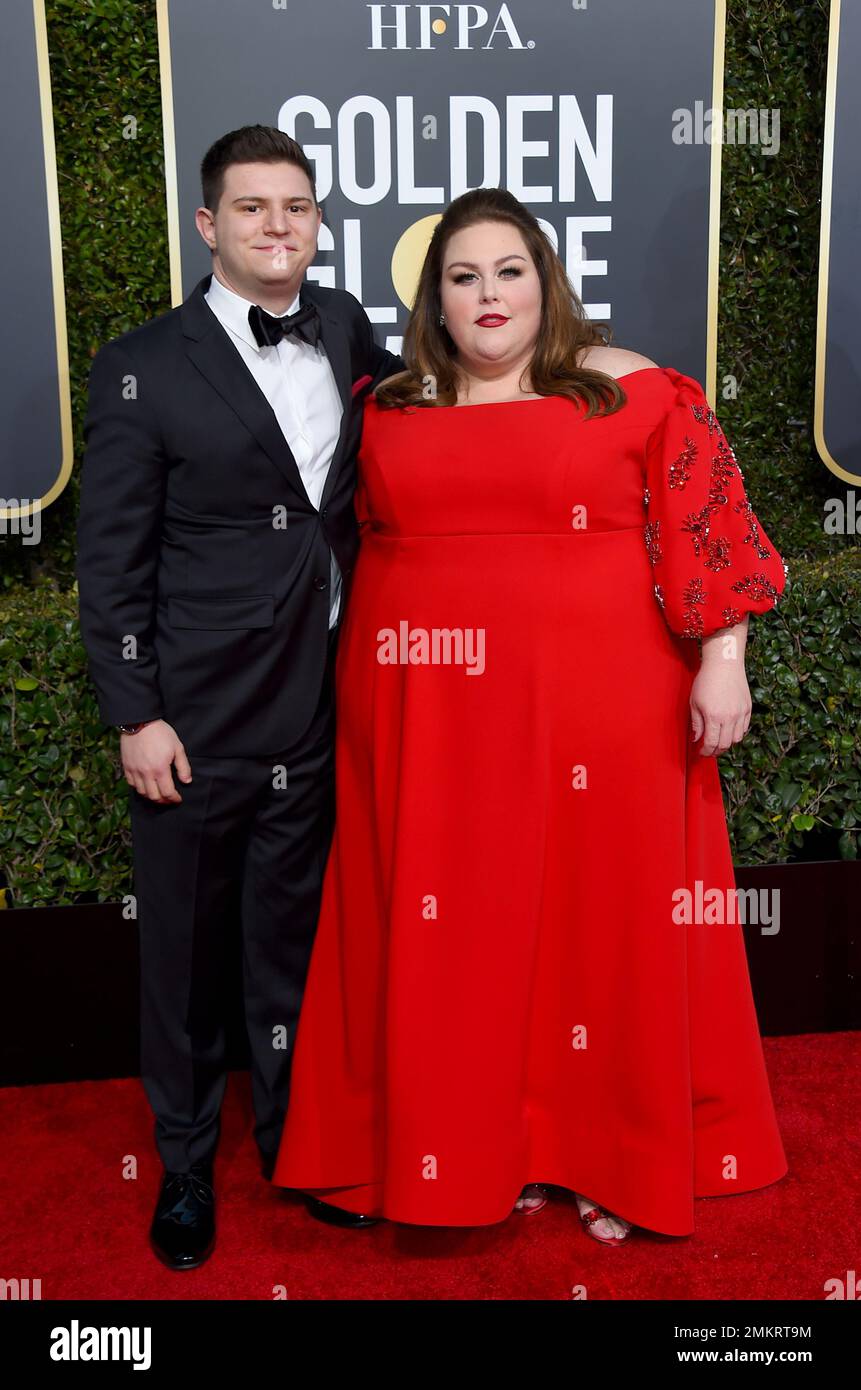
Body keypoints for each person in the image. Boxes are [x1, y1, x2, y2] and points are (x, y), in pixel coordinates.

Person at [271, 186, 790, 1245]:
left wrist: (721, 660)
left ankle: (613, 1154)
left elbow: (711, 525)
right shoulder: (389, 404)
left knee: (603, 923)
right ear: (436, 299)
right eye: (463, 277)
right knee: (455, 924)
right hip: (425, 715)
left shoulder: (634, 388)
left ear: (545, 282)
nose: (488, 293)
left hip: (605, 707)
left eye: (508, 270)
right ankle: (463, 1145)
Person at [75, 124, 403, 1269]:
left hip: (315, 704)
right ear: (208, 225)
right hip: (195, 716)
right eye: (253, 207)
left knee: (291, 936)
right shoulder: (141, 366)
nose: (279, 225)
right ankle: (180, 1166)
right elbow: (112, 560)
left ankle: (295, 1145)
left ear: (317, 223)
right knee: (184, 950)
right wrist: (136, 712)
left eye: (297, 207)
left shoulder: (349, 328)